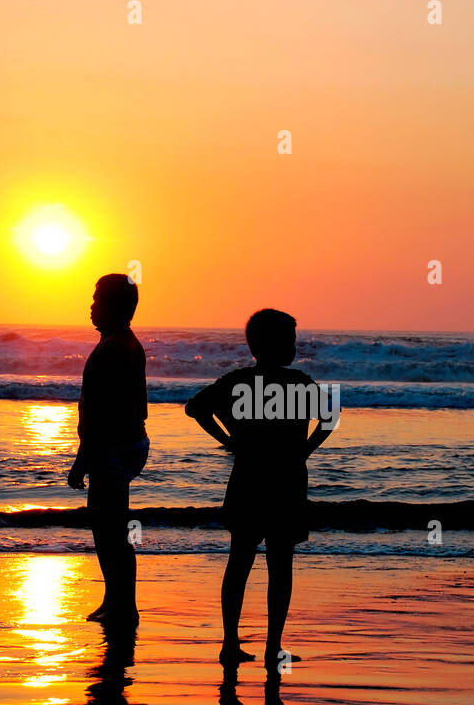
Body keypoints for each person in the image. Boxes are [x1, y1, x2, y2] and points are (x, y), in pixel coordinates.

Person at [185, 308, 339, 669]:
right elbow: (331, 415)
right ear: (279, 344)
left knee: (239, 561)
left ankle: (229, 644)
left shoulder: (239, 381)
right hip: (285, 481)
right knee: (280, 565)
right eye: (291, 340)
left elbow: (195, 408)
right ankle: (273, 647)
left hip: (249, 479)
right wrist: (307, 448)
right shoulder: (299, 383)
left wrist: (228, 439)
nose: (295, 346)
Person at [67, 274, 149, 628]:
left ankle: (123, 604)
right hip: (120, 444)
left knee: (109, 529)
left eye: (97, 300)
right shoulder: (120, 343)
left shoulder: (116, 348)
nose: (91, 306)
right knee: (109, 527)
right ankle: (116, 599)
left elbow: (103, 412)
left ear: (115, 307)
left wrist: (81, 461)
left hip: (113, 447)